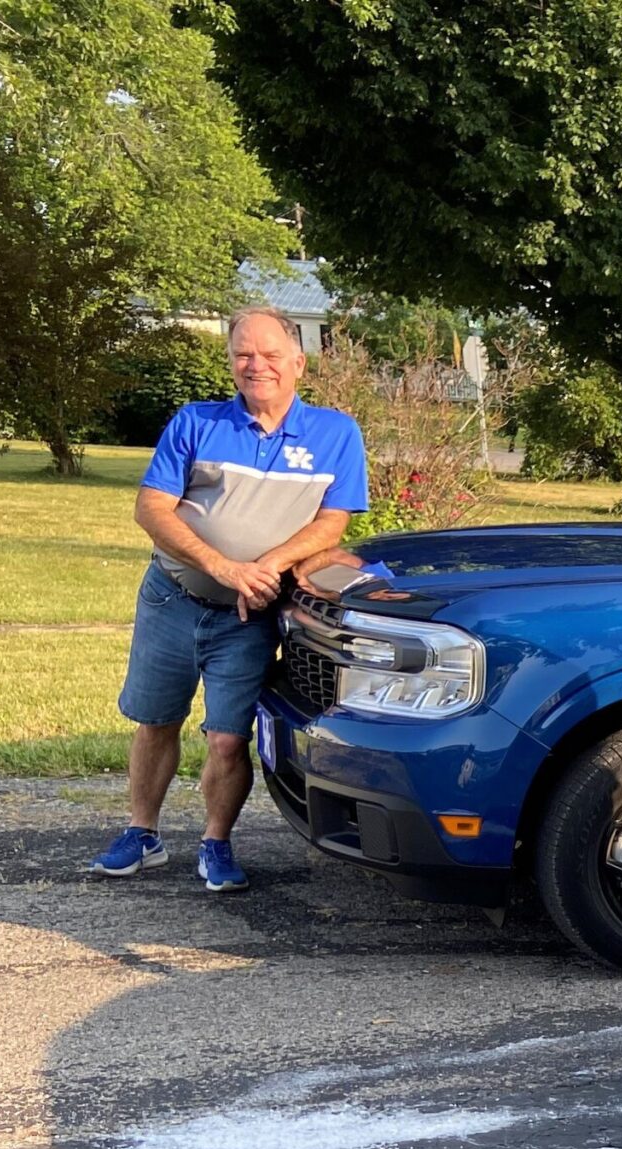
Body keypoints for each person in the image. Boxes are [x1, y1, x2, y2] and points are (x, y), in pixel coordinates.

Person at [86, 306, 370, 892]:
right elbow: (151, 508)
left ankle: (215, 843)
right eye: (243, 354)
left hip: (249, 615)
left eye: (269, 355)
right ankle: (143, 833)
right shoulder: (196, 422)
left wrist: (264, 567)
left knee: (227, 736)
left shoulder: (335, 433)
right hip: (172, 598)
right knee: (156, 720)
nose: (255, 365)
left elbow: (333, 521)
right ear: (231, 362)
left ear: (298, 363)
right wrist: (222, 565)